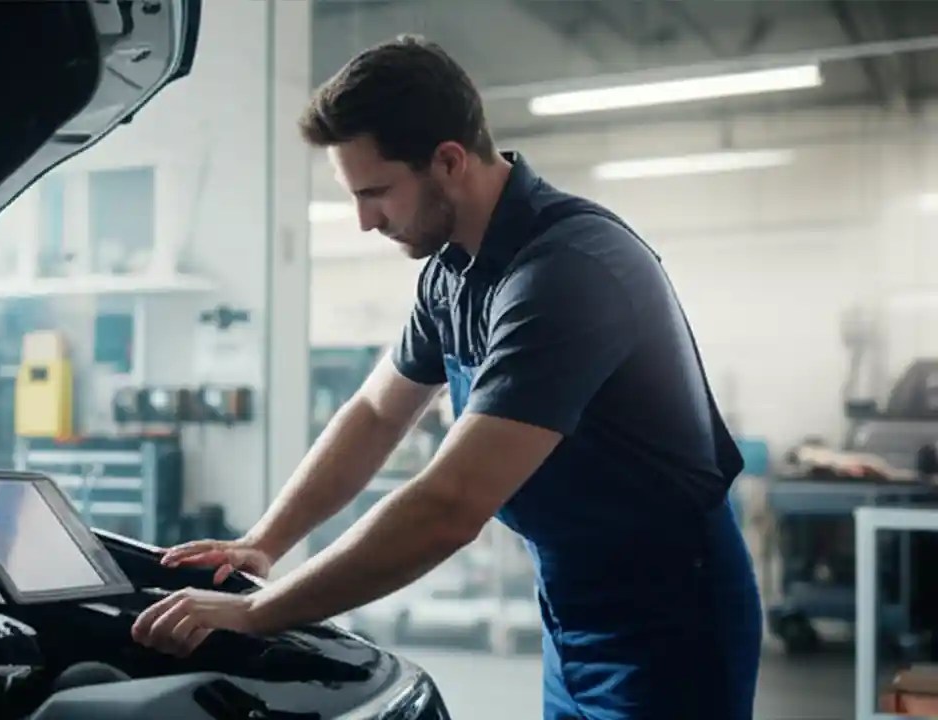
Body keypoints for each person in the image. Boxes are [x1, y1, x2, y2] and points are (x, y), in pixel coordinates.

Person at [131, 34, 762, 720]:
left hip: (671, 616)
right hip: (573, 600)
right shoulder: (452, 272)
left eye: (377, 193)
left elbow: (450, 507)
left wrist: (258, 613)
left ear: (450, 161)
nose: (365, 221)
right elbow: (376, 414)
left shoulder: (568, 272)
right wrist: (263, 543)